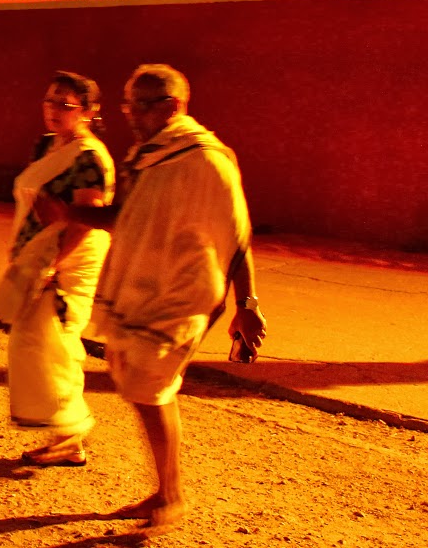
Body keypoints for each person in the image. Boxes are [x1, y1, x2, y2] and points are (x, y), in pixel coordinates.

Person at [45, 64, 264, 534]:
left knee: (150, 388)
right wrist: (69, 213)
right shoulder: (149, 156)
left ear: (172, 106)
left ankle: (172, 496)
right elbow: (125, 217)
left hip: (184, 294)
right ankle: (165, 490)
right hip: (142, 289)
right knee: (137, 383)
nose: (130, 116)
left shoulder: (206, 160)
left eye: (139, 105)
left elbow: (237, 234)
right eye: (128, 105)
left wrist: (246, 304)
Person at [0, 72, 114, 468]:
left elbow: (85, 220)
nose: (54, 111)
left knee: (52, 343)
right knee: (36, 344)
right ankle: (66, 433)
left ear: (90, 112)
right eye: (50, 101)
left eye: (66, 105)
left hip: (67, 263)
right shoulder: (45, 146)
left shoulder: (91, 159)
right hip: (34, 255)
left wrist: (52, 265)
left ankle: (71, 434)